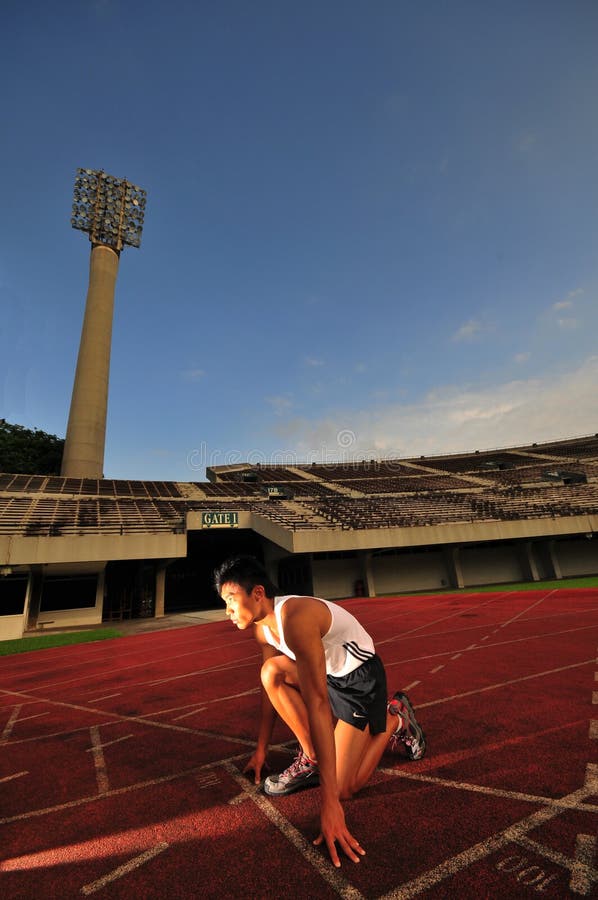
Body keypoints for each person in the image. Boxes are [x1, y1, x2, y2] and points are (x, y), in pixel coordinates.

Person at [214, 554, 426, 868]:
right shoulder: (263, 630)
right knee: (270, 672)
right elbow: (270, 690)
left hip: (359, 680)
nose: (227, 611)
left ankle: (395, 717)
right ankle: (312, 758)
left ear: (257, 593)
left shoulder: (296, 617)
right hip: (328, 674)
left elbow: (316, 704)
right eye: (224, 602)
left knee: (343, 788)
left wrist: (329, 805)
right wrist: (261, 751)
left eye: (231, 600)